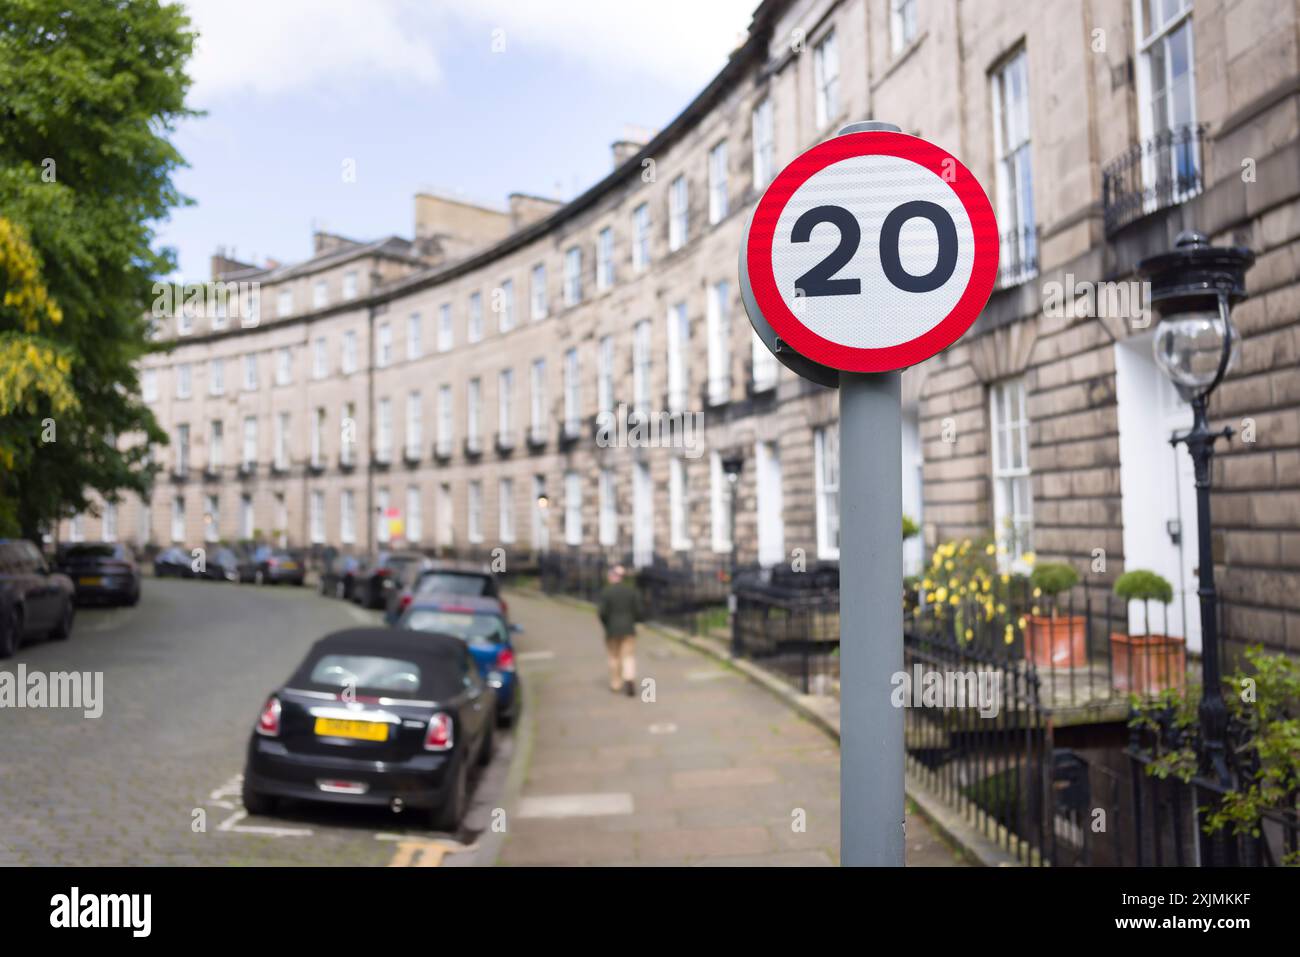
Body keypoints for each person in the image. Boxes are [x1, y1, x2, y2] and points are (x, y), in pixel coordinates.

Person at [596, 564, 642, 696]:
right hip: (629, 629)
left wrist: (606, 625)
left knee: (614, 657)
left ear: (612, 576)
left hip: (612, 630)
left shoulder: (606, 592)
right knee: (628, 656)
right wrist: (635, 622)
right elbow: (639, 611)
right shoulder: (631, 591)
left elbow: (602, 613)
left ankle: (616, 683)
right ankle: (629, 678)